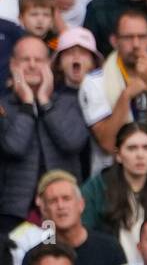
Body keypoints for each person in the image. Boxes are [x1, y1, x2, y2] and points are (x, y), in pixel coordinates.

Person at [0, 37, 88, 234]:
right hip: (15, 210)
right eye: (25, 59)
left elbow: (72, 142)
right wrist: (27, 105)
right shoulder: (3, 106)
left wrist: (44, 102)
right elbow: (14, 146)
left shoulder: (70, 101)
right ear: (13, 65)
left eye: (38, 60)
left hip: (64, 208)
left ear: (48, 64)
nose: (32, 65)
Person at [79, 123, 147, 264]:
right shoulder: (97, 188)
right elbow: (86, 235)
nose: (140, 155)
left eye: (146, 148)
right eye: (132, 148)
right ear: (118, 155)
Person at [10, 172, 127, 265]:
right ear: (44, 211)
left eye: (66, 198)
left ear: (81, 205)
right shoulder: (34, 258)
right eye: (53, 201)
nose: (61, 206)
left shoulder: (110, 249)